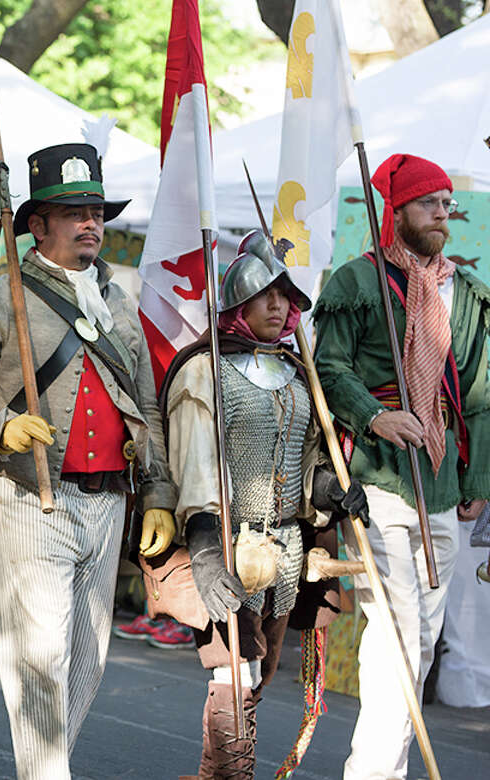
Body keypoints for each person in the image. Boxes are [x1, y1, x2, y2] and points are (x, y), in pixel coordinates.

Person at [0, 143, 177, 779]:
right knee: (40, 653)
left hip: (109, 498)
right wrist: (0, 426)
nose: (90, 223)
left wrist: (156, 492)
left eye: (96, 210)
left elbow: (147, 406)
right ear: (38, 225)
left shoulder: (120, 303)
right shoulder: (0, 299)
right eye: (72, 210)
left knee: (87, 659)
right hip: (31, 495)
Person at [162, 232, 367, 778]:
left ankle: (214, 775)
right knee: (233, 671)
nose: (279, 307)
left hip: (287, 549)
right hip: (224, 540)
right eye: (266, 296)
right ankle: (231, 775)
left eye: (287, 297)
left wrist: (326, 489)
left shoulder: (301, 376)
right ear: (237, 302)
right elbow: (194, 462)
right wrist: (205, 550)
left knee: (259, 671)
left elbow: (305, 461)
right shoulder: (203, 368)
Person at [313, 153, 490, 780]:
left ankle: (380, 770)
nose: (441, 216)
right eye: (427, 204)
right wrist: (373, 415)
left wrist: (478, 482)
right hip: (380, 478)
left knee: (417, 640)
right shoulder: (357, 283)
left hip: (442, 481)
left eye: (446, 204)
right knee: (396, 629)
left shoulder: (465, 293)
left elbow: (481, 394)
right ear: (396, 212)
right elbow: (328, 368)